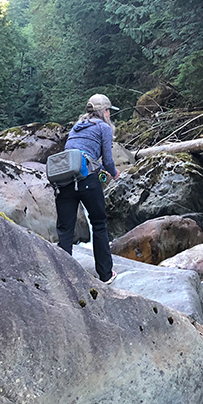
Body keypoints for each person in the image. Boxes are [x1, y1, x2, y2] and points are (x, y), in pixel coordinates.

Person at [55, 93, 120, 283]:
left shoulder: (77, 127)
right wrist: (116, 175)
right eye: (109, 111)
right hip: (87, 180)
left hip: (64, 179)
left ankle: (63, 276)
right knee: (99, 224)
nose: (110, 115)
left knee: (65, 229)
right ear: (104, 112)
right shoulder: (103, 128)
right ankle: (106, 275)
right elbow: (107, 160)